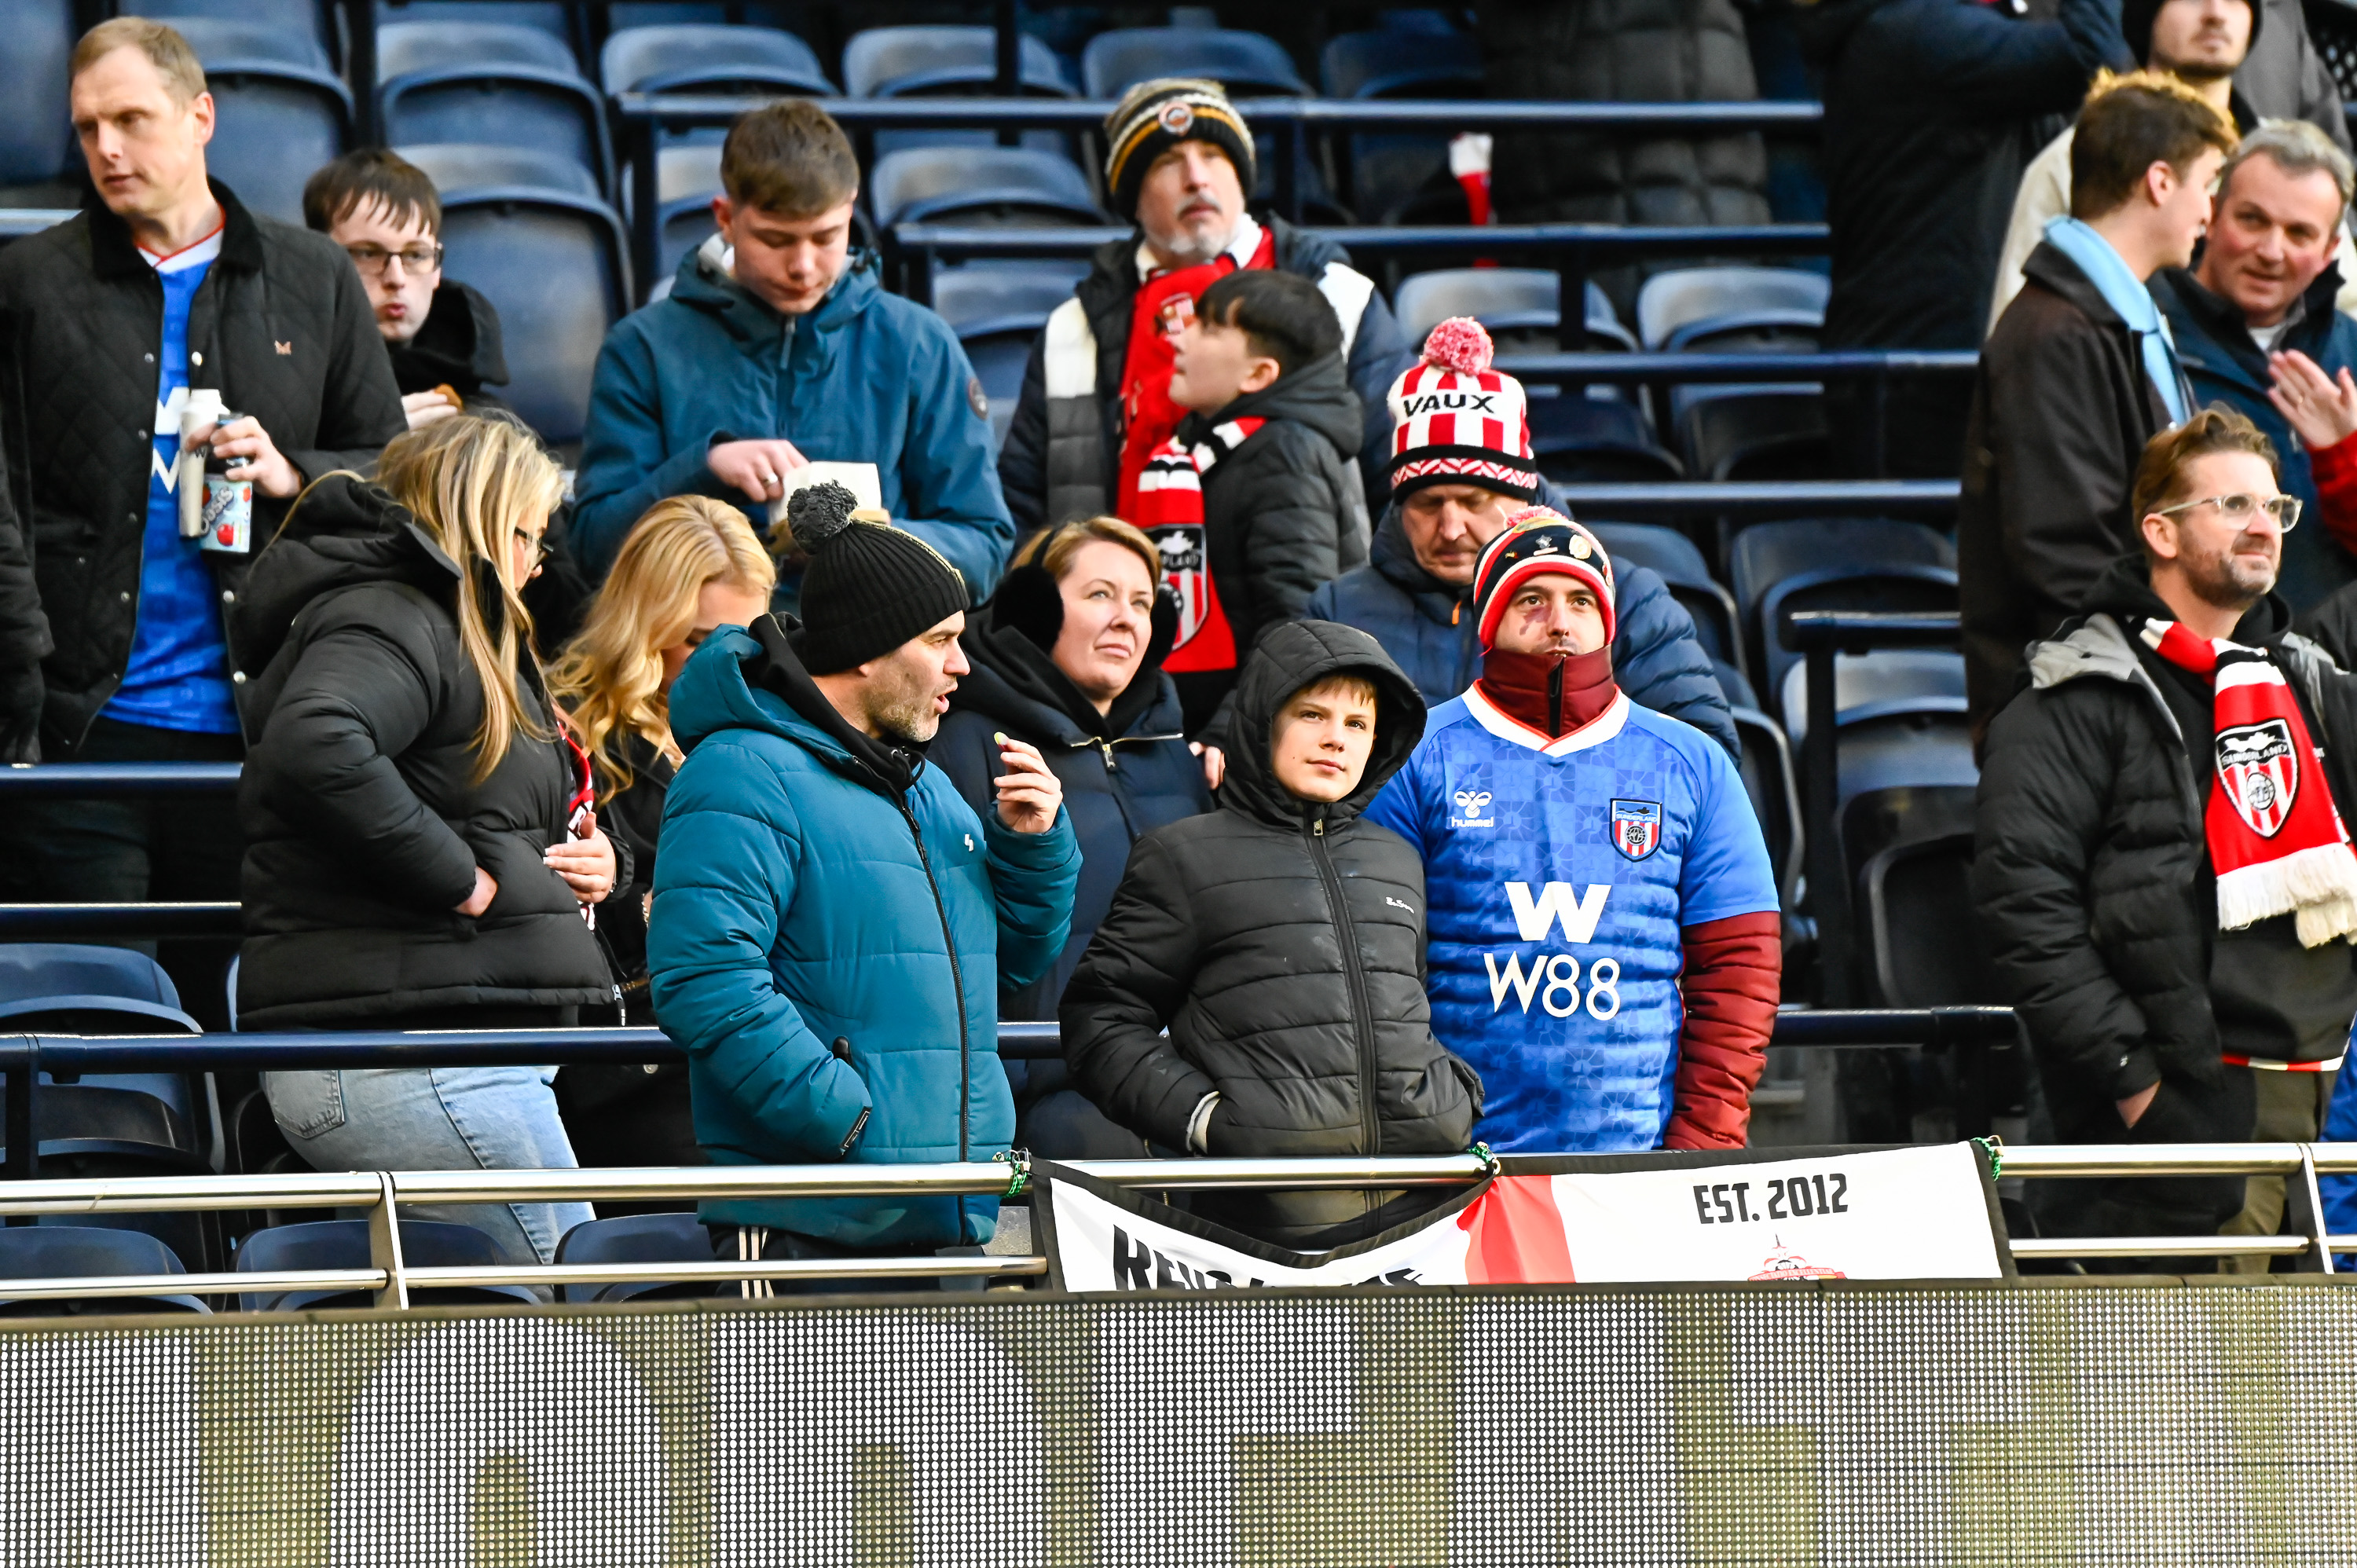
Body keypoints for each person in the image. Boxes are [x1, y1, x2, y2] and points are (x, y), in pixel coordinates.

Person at [0, 20, 402, 997]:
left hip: (259, 726)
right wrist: (27, 678)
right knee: (101, 1022)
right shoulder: (29, 283)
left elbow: (398, 486)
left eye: (132, 119)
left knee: (246, 1014)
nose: (107, 148)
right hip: (82, 729)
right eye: (88, 126)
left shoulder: (313, 280)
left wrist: (289, 471)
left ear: (200, 115)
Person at [648, 482, 1079, 1283]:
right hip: (810, 1222)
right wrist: (848, 1121)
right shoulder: (741, 770)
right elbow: (703, 981)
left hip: (948, 1211)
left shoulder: (927, 785)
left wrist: (1031, 847)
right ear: (868, 650)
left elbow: (1007, 965)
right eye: (941, 639)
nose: (963, 665)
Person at [235, 414, 624, 1267]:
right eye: (528, 535)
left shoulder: (446, 623)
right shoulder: (396, 613)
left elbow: (487, 809)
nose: (537, 562)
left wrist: (591, 864)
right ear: (485, 523)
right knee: (580, 1313)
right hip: (410, 1057)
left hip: (445, 1049)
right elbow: (316, 742)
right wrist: (462, 880)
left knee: (503, 1347)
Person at [1974, 408, 2357, 1262]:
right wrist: (2136, 1086)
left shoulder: (2312, 682)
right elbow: (2025, 909)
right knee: (2166, 1389)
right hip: (2161, 1109)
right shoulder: (2075, 693)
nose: (2262, 525)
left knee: (2290, 1387)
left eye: (2275, 508)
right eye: (2232, 505)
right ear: (2161, 532)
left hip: (2317, 1104)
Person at [1364, 511, 1782, 1153]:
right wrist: (1421, 1137)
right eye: (1531, 599)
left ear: (1608, 621)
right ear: (1489, 622)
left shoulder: (1692, 763)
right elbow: (1374, 967)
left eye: (1581, 600)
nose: (1559, 621)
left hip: (1640, 1162)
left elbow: (1740, 968)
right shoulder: (1417, 755)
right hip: (1457, 1163)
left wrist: (1703, 1142)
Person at [1061, 620, 1481, 1247]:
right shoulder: (1183, 856)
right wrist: (1203, 1120)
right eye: (1313, 714)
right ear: (1264, 721)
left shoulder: (1397, 858)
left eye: (1357, 724)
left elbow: (1407, 1006)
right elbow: (1101, 1018)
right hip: (1261, 1233)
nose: (1336, 739)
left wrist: (1451, 1097)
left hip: (1419, 1218)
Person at [573, 99, 1010, 598]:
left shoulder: (918, 344)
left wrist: (882, 543)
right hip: (694, 657)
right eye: (776, 240)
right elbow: (593, 551)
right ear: (725, 218)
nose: (803, 266)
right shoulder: (642, 348)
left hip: (870, 656)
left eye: (826, 237)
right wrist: (705, 468)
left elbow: (985, 547)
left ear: (851, 213)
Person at [1304, 318, 1739, 756]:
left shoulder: (1626, 599)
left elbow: (1703, 756)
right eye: (1428, 504)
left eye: (1474, 502)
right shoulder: (1340, 611)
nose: (1451, 528)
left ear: (1525, 496)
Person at [997, 77, 1411, 533]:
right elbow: (1021, 510)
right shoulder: (1070, 329)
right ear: (1133, 198)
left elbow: (1402, 483)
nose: (1197, 178)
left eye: (1213, 156)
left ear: (1241, 177)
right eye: (1168, 162)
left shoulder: (1339, 297)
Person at [1960, 71, 2239, 735]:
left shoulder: (2113, 319)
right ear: (2160, 182)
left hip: (2123, 693)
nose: (2211, 212)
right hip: (2078, 717)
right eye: (2208, 186)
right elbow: (2064, 551)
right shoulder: (2054, 333)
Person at [932, 517, 1215, 1155]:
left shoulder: (1181, 756)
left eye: (1142, 603)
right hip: (1042, 1099)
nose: (1127, 619)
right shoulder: (963, 742)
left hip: (1180, 1089)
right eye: (1100, 595)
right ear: (1033, 611)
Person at [1798, 0, 2127, 478]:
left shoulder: (1943, 30)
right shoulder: (1915, 30)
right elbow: (2088, 57)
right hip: (1920, 374)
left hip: (1945, 363)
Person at [544, 494, 775, 1174]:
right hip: (642, 1056)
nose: (729, 661)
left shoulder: (775, 731)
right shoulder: (572, 735)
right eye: (701, 640)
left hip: (763, 1032)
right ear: (644, 625)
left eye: (749, 638)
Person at [1131, 269, 1368, 732]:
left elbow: (1297, 621)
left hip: (1245, 736)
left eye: (1210, 329)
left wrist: (1228, 728)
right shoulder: (1216, 445)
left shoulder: (1285, 451)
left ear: (1260, 374)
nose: (1180, 339)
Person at [2152, 122, 2357, 610]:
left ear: (2330, 251)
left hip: (2334, 669)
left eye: (2299, 233)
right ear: (2212, 215)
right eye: (2252, 220)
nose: (2271, 251)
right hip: (2194, 661)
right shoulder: (2143, 333)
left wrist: (2345, 459)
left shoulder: (2351, 349)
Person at [302, 148, 512, 431]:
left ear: (437, 268)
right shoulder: (286, 372)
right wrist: (364, 444)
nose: (397, 278)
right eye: (366, 253)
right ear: (318, 261)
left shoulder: (478, 397)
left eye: (415, 255)